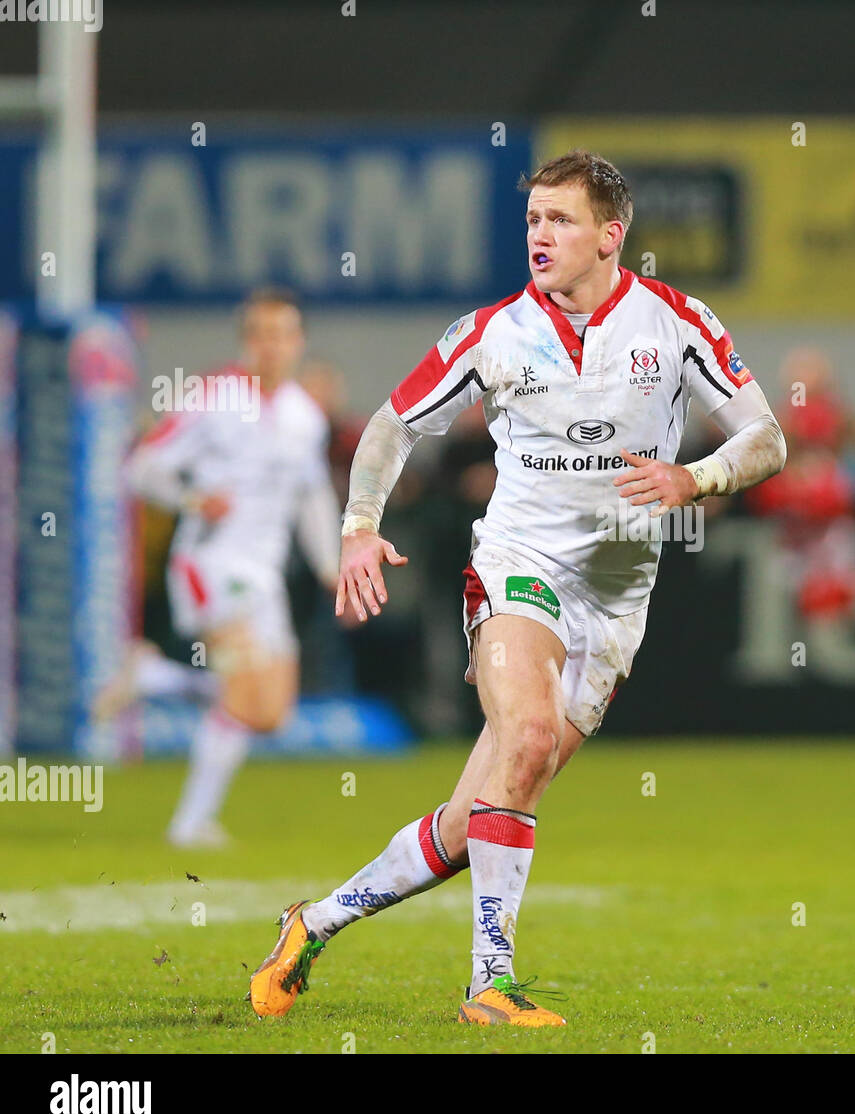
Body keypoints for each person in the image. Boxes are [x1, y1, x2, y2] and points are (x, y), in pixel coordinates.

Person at [248, 149, 787, 1027]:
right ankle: (488, 985)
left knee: (486, 806)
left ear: (612, 235)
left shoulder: (676, 324)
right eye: (533, 218)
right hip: (519, 564)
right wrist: (359, 526)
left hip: (616, 603)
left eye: (560, 219)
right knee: (527, 733)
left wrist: (697, 478)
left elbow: (767, 439)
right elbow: (392, 426)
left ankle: (313, 922)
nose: (539, 234)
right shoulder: (493, 332)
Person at [107, 289, 340, 847]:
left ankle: (156, 677)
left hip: (264, 576)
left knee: (271, 714)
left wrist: (334, 568)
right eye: (260, 333)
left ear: (298, 341)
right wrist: (193, 497)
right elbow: (140, 468)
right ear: (245, 341)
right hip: (210, 563)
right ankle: (190, 824)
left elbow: (312, 499)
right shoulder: (213, 397)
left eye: (281, 334)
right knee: (242, 689)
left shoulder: (304, 417)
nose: (271, 345)